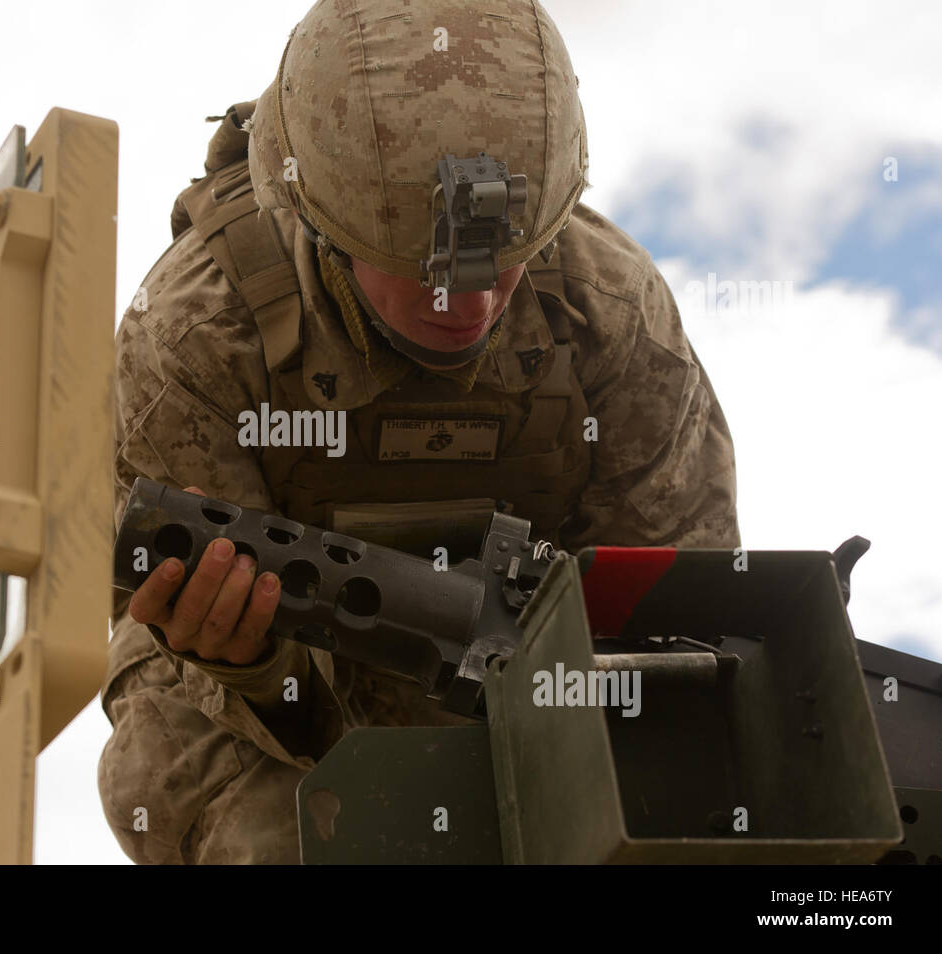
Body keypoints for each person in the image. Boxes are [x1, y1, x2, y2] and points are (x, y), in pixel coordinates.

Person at [98, 0, 740, 864]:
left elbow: (680, 609)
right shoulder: (196, 337)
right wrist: (249, 663)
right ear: (322, 222)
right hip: (250, 709)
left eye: (505, 256)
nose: (473, 305)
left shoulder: (609, 315)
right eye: (427, 269)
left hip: (543, 684)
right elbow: (203, 641)